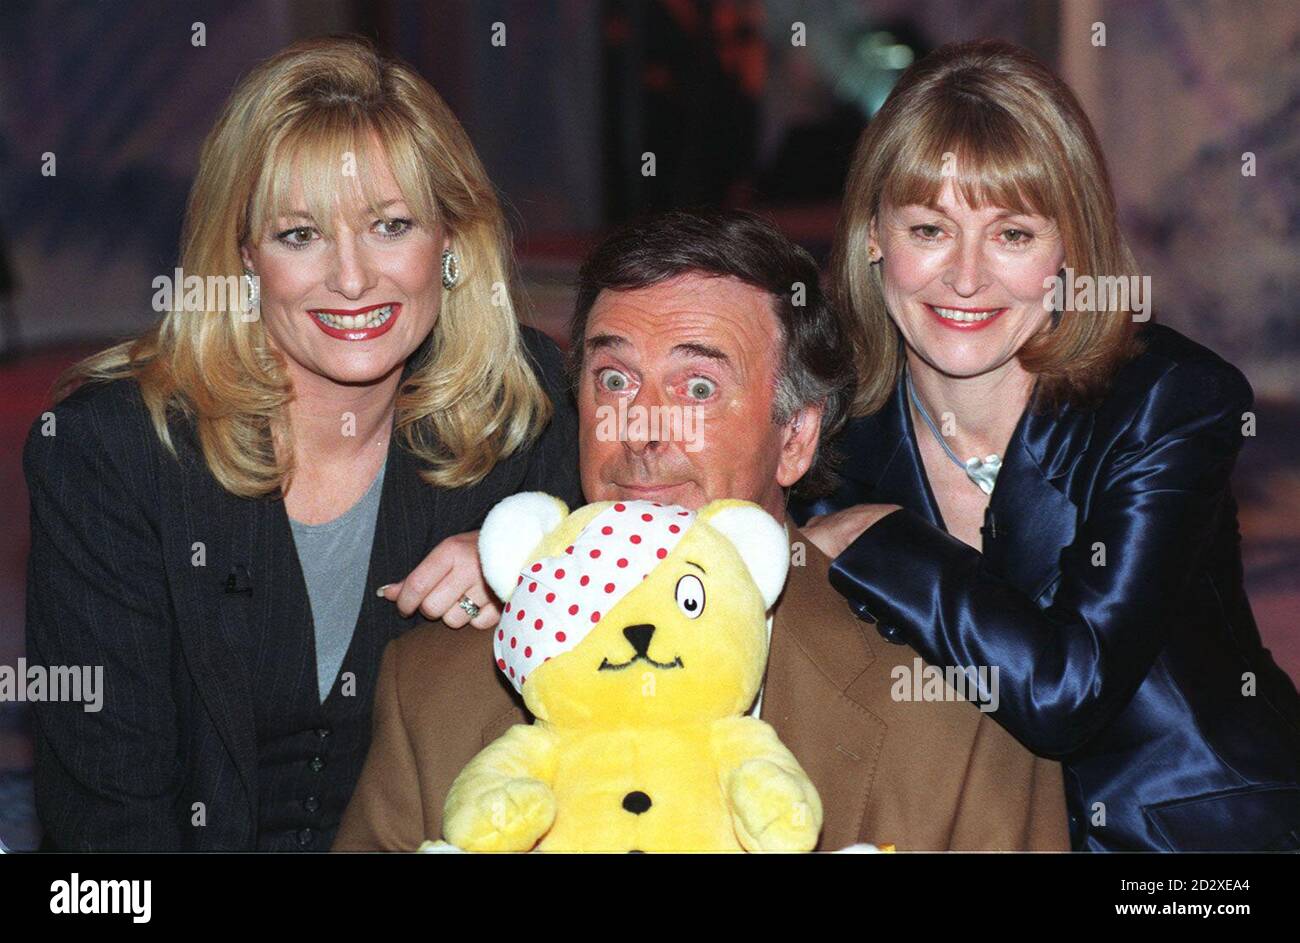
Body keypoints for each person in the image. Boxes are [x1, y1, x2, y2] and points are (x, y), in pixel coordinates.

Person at [334, 209, 1070, 851]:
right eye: (615, 379)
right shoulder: (437, 693)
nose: (643, 430)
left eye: (698, 388)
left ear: (794, 441)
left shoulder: (956, 708)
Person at [23, 36, 581, 851]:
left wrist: (536, 563)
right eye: (300, 236)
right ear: (243, 255)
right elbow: (109, 826)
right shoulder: (113, 454)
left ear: (453, 242)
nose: (352, 280)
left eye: (391, 226)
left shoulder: (517, 408)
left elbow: (653, 613)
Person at [794, 40, 1300, 852]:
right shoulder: (834, 425)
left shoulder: (1167, 401)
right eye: (929, 227)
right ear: (871, 238)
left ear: (1069, 252)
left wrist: (873, 536)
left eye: (1013, 235)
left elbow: (1070, 688)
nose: (965, 278)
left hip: (1194, 848)